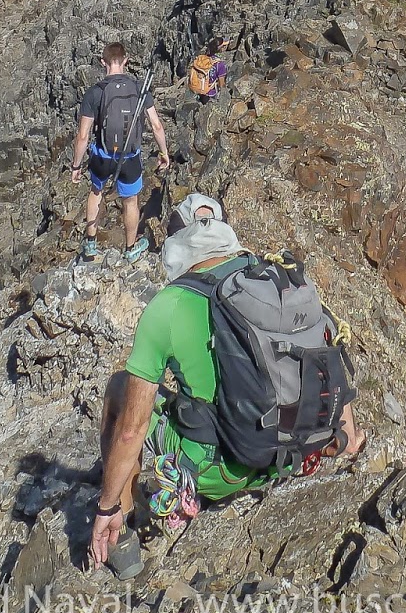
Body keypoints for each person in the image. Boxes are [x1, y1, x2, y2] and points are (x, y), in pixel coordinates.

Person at [89, 195, 364, 579]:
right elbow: (324, 347)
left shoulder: (168, 305)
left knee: (120, 389)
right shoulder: (272, 276)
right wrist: (347, 434)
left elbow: (132, 429)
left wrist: (104, 505)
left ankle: (122, 533)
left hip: (219, 472)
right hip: (290, 455)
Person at [70, 42, 170, 263]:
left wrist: (76, 166)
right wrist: (164, 153)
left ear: (102, 62)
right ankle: (130, 248)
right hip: (130, 157)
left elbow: (83, 136)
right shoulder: (139, 88)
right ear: (126, 61)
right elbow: (156, 126)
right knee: (131, 201)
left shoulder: (95, 93)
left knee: (96, 192)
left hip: (103, 157)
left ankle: (91, 244)